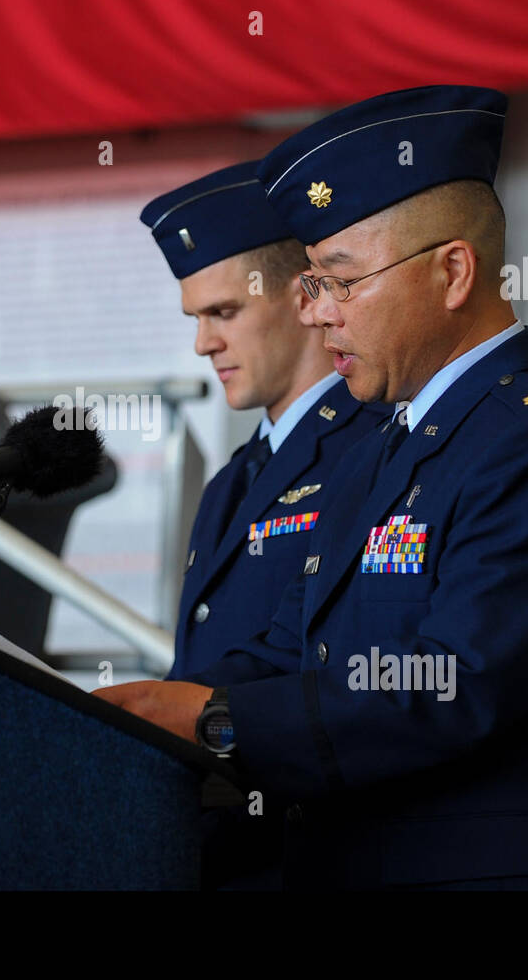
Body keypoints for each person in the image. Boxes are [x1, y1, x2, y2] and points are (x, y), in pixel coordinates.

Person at [101, 85, 528, 890]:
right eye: (314, 284)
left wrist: (214, 719)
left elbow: (451, 684)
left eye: (340, 281)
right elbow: (290, 649)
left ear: (452, 271)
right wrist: (137, 705)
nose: (319, 315)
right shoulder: (382, 451)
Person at [141, 162, 384, 679]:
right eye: (197, 319)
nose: (204, 343)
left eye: (224, 313)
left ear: (305, 298)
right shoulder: (232, 480)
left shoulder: (375, 448)